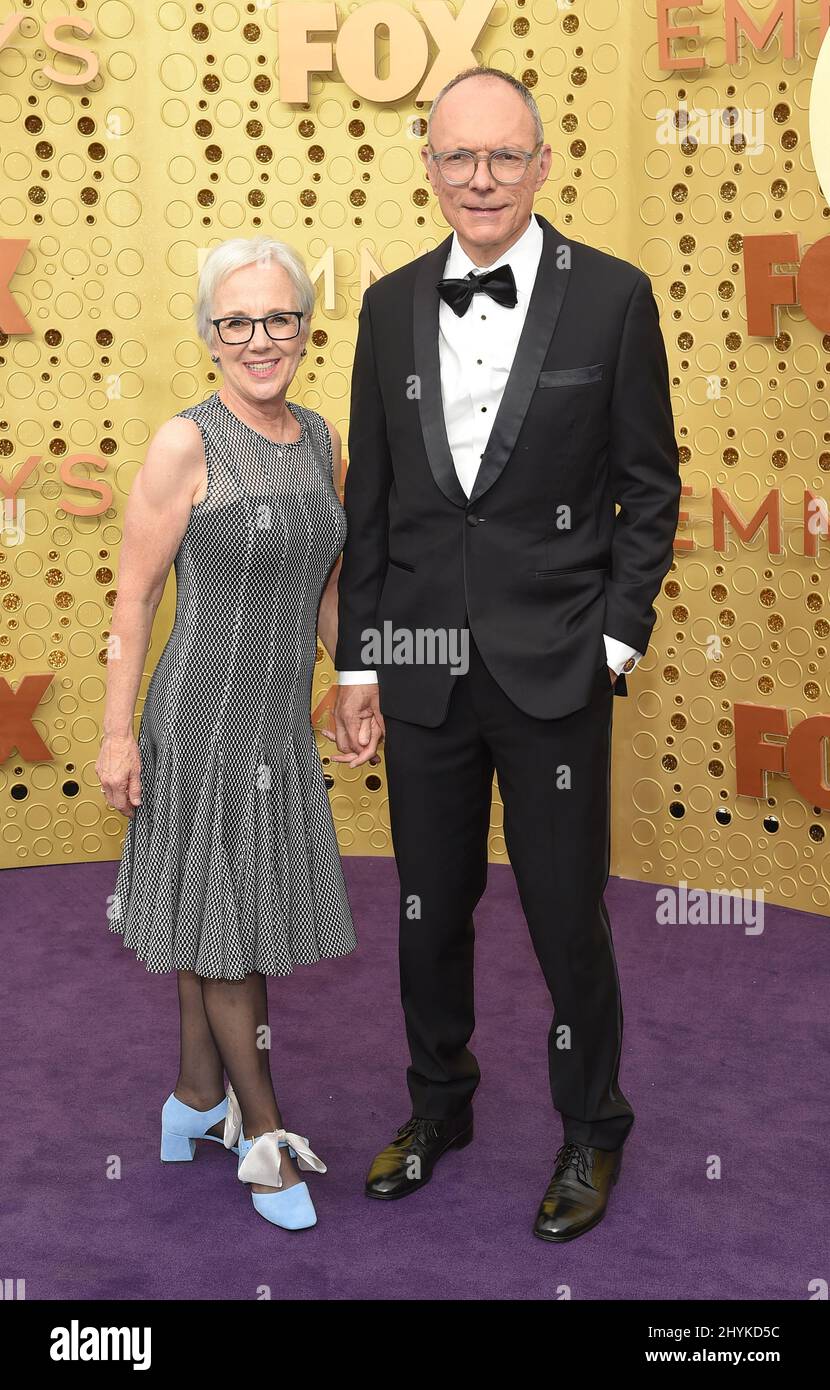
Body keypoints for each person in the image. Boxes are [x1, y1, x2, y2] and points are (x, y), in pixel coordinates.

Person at [333, 67, 681, 1242]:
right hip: (422, 662)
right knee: (427, 912)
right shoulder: (385, 307)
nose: (478, 179)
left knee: (561, 914)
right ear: (426, 167)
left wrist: (615, 640)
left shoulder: (613, 298)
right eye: (455, 158)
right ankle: (440, 1107)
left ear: (540, 164)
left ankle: (591, 1127)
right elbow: (371, 507)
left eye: (501, 157)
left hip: (557, 666)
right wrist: (357, 666)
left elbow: (647, 487)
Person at [97, 236, 356, 1231]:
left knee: (219, 918)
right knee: (230, 929)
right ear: (210, 335)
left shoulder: (320, 434)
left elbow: (324, 581)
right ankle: (262, 1138)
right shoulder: (183, 442)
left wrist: (355, 680)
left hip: (276, 730)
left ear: (303, 326)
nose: (260, 338)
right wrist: (119, 735)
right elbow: (134, 594)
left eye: (278, 318)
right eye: (237, 321)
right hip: (201, 723)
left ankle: (191, 1101)